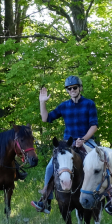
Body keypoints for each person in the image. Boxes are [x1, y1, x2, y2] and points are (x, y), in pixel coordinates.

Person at [31, 76, 99, 214]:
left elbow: (94, 126)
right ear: (67, 90)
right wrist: (42, 102)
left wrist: (83, 139)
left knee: (101, 161)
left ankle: (107, 196)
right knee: (50, 167)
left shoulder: (89, 104)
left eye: (74, 87)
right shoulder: (64, 106)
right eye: (69, 88)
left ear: (80, 88)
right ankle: (46, 200)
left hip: (86, 141)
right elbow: (45, 118)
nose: (72, 90)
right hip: (67, 144)